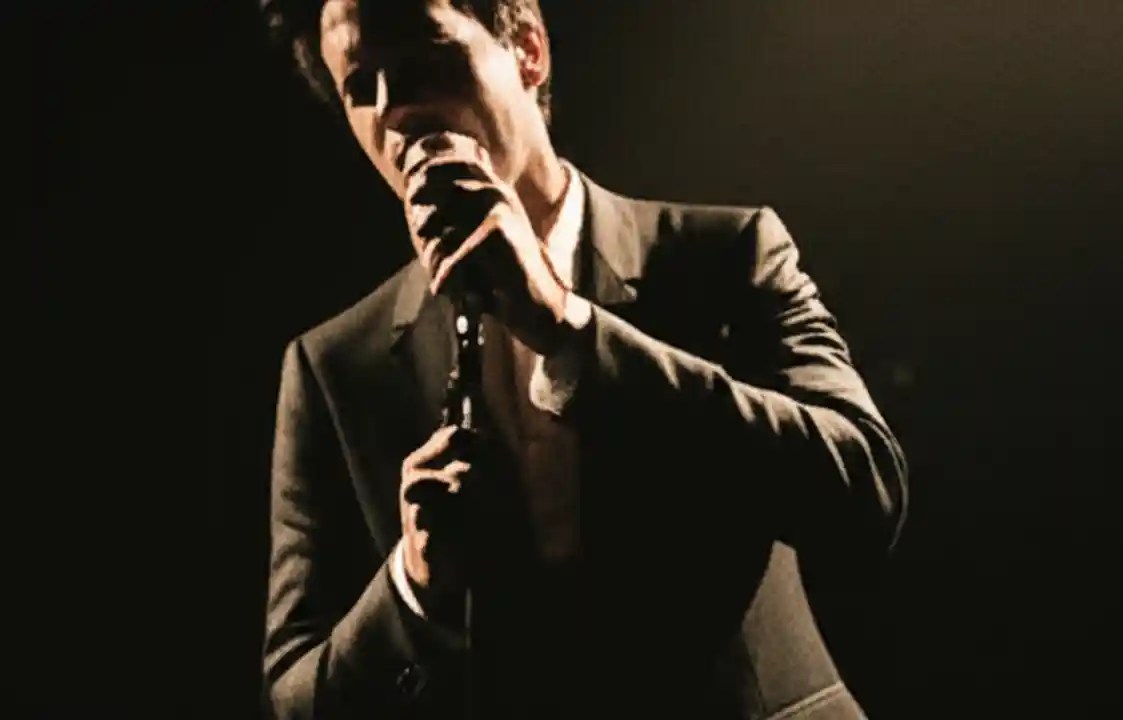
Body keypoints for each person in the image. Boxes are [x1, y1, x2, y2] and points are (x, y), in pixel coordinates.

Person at [258, 1, 908, 717]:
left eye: (424, 59)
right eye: (360, 86)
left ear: (528, 47)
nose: (393, 110)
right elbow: (293, 698)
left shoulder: (727, 256)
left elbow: (865, 493)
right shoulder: (333, 366)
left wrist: (570, 330)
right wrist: (412, 587)